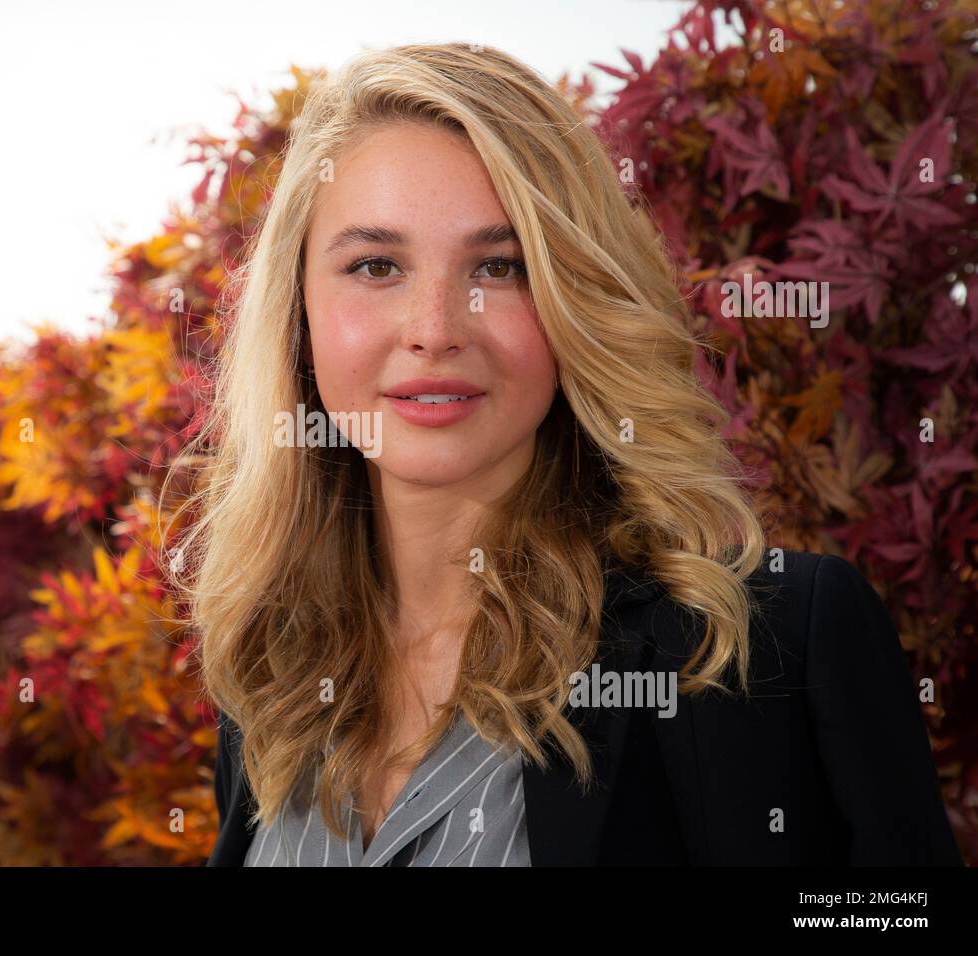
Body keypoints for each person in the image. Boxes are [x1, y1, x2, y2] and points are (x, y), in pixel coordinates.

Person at [165, 41, 963, 866]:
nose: (435, 329)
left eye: (501, 266)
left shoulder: (765, 651)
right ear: (296, 313)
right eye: (375, 265)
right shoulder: (272, 682)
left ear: (575, 295)